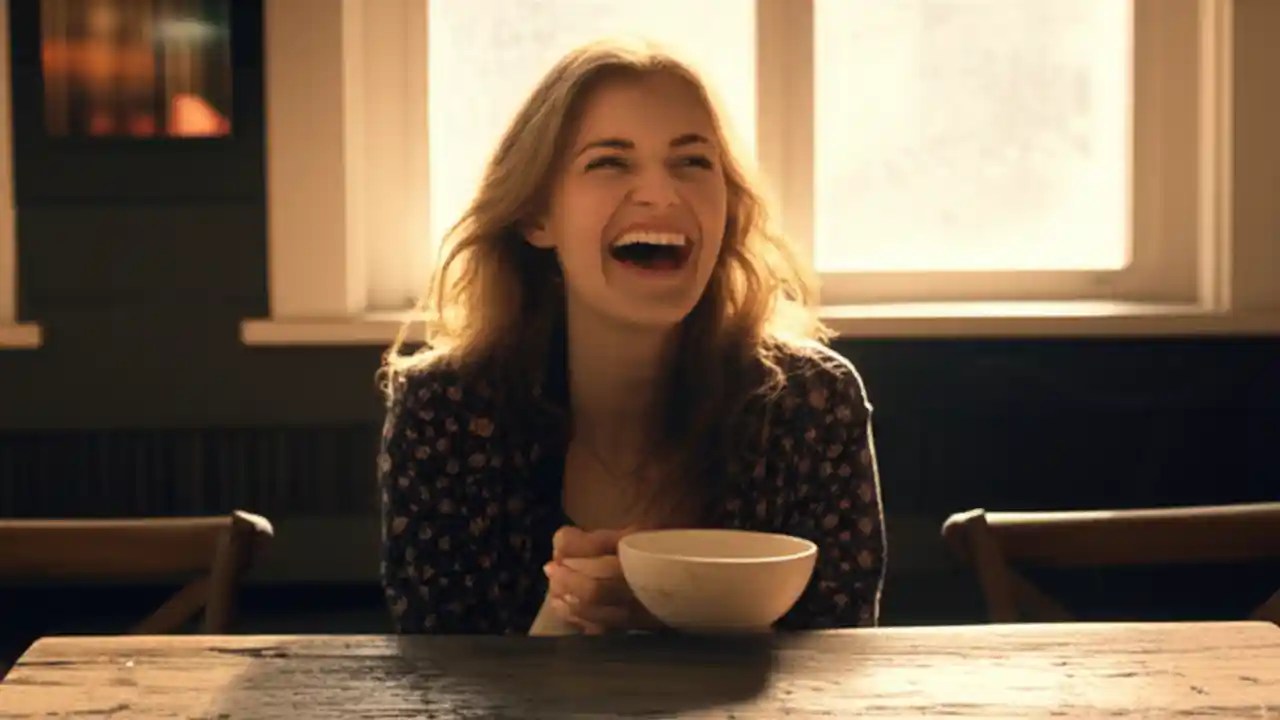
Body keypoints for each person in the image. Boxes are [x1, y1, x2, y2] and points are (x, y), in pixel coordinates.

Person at [377, 38, 886, 636]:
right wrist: (567, 621)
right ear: (538, 217)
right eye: (610, 162)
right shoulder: (445, 412)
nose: (662, 194)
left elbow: (843, 662)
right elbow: (438, 683)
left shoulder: (813, 403)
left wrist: (677, 618)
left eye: (693, 162)